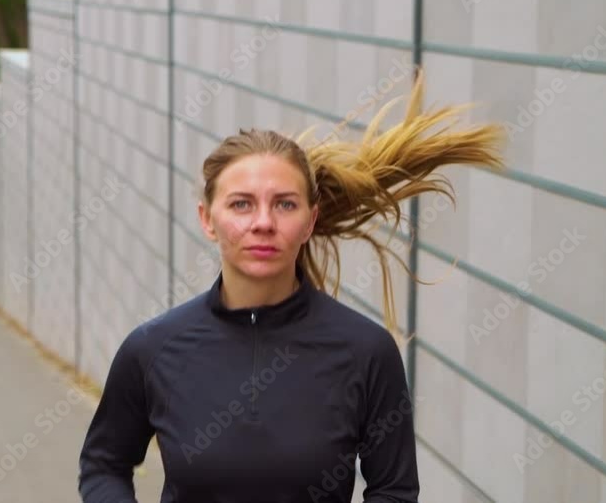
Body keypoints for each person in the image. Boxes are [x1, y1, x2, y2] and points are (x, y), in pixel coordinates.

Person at [77, 72, 505, 502]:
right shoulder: (153, 349)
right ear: (207, 219)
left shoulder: (366, 352)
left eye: (284, 204)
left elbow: (393, 489)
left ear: (310, 221)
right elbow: (104, 464)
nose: (263, 223)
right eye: (241, 204)